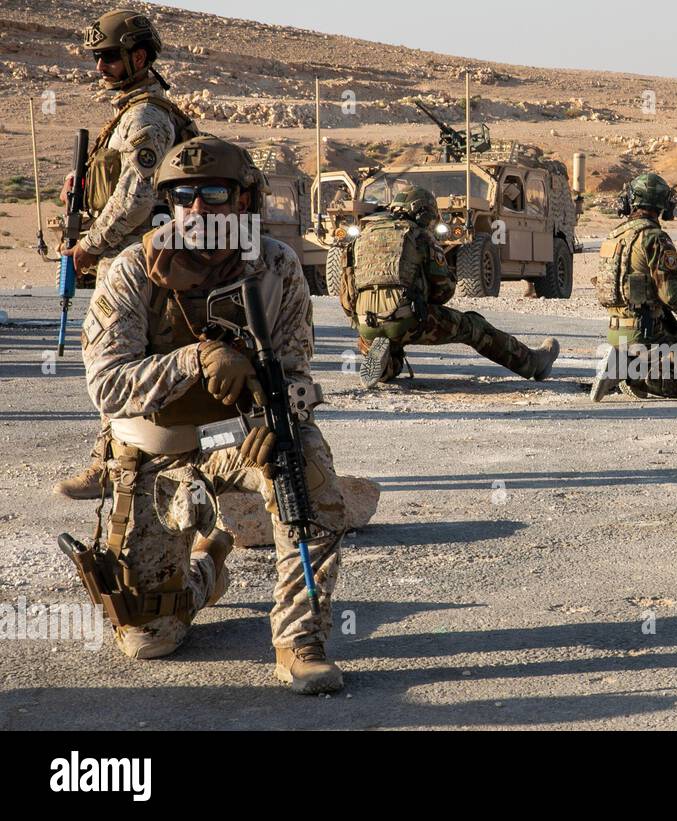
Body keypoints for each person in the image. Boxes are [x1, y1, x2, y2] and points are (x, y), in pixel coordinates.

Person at [77, 135, 348, 692]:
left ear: (245, 201)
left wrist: (281, 422)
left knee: (308, 477)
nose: (198, 208)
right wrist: (196, 360)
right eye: (184, 195)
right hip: (157, 449)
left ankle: (299, 639)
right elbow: (107, 386)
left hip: (240, 439)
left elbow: (297, 372)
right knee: (150, 637)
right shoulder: (132, 270)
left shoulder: (277, 266)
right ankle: (210, 557)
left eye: (215, 193)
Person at [53, 8, 200, 500]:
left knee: (115, 358)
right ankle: (122, 460)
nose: (101, 68)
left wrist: (89, 248)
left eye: (110, 57)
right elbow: (119, 183)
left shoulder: (146, 117)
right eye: (98, 58)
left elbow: (137, 196)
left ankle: (114, 465)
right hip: (136, 255)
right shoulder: (132, 112)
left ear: (139, 56)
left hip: (137, 258)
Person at [340, 186, 559, 388]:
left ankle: (386, 364)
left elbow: (346, 296)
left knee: (390, 342)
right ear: (422, 213)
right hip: (409, 321)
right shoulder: (419, 237)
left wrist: (364, 321)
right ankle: (532, 364)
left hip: (366, 324)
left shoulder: (359, 239)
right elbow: (443, 290)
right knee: (475, 327)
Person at [591, 173, 677, 402]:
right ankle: (631, 372)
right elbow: (672, 297)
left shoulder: (614, 236)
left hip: (616, 330)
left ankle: (634, 364)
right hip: (646, 332)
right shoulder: (654, 238)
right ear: (659, 204)